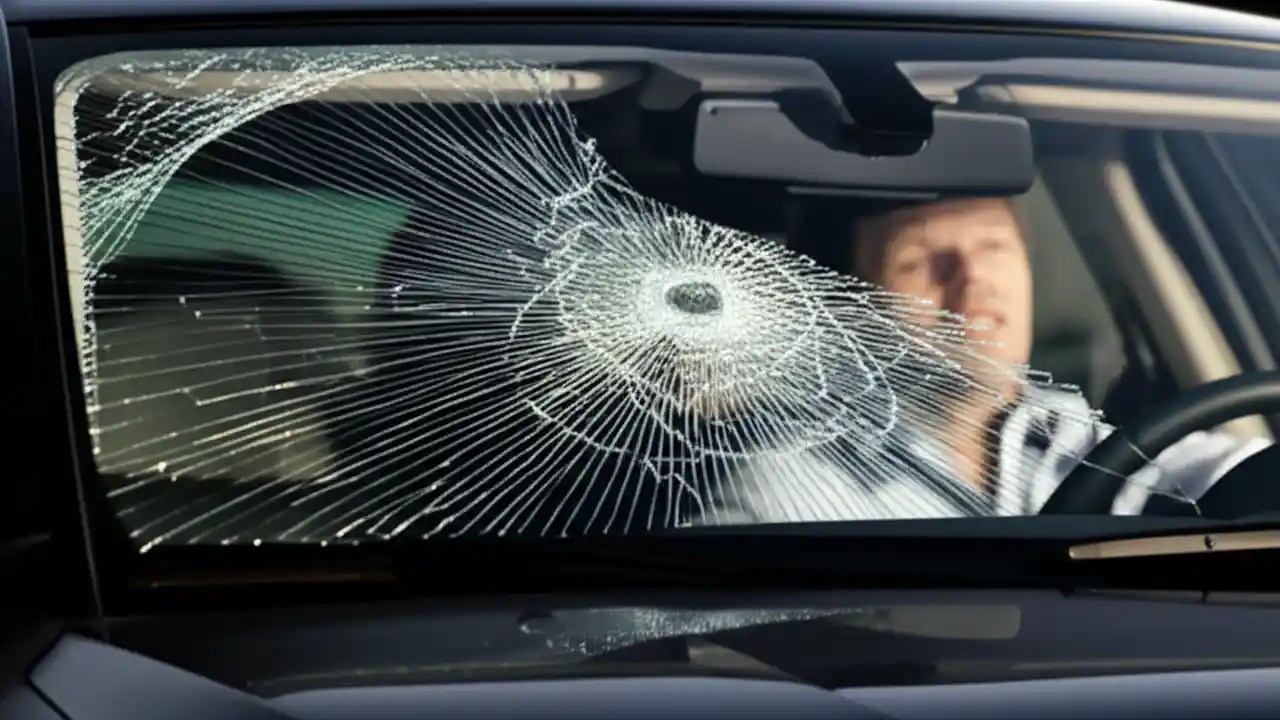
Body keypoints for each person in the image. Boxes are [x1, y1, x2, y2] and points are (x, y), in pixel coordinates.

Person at [697, 196, 1269, 524]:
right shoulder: (782, 491)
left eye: (994, 248)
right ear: (854, 313)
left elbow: (1220, 475)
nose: (972, 281)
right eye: (921, 261)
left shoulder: (1082, 439)